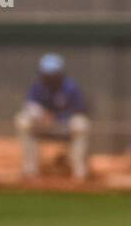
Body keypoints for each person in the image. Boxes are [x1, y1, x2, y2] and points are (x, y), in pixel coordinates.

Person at [14, 53, 91, 181]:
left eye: (52, 74)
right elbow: (29, 105)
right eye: (46, 74)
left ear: (59, 73)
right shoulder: (38, 87)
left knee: (81, 124)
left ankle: (80, 173)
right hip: (44, 125)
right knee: (22, 121)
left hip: (64, 125)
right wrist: (42, 115)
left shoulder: (70, 87)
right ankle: (30, 170)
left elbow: (80, 109)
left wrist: (58, 116)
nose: (49, 78)